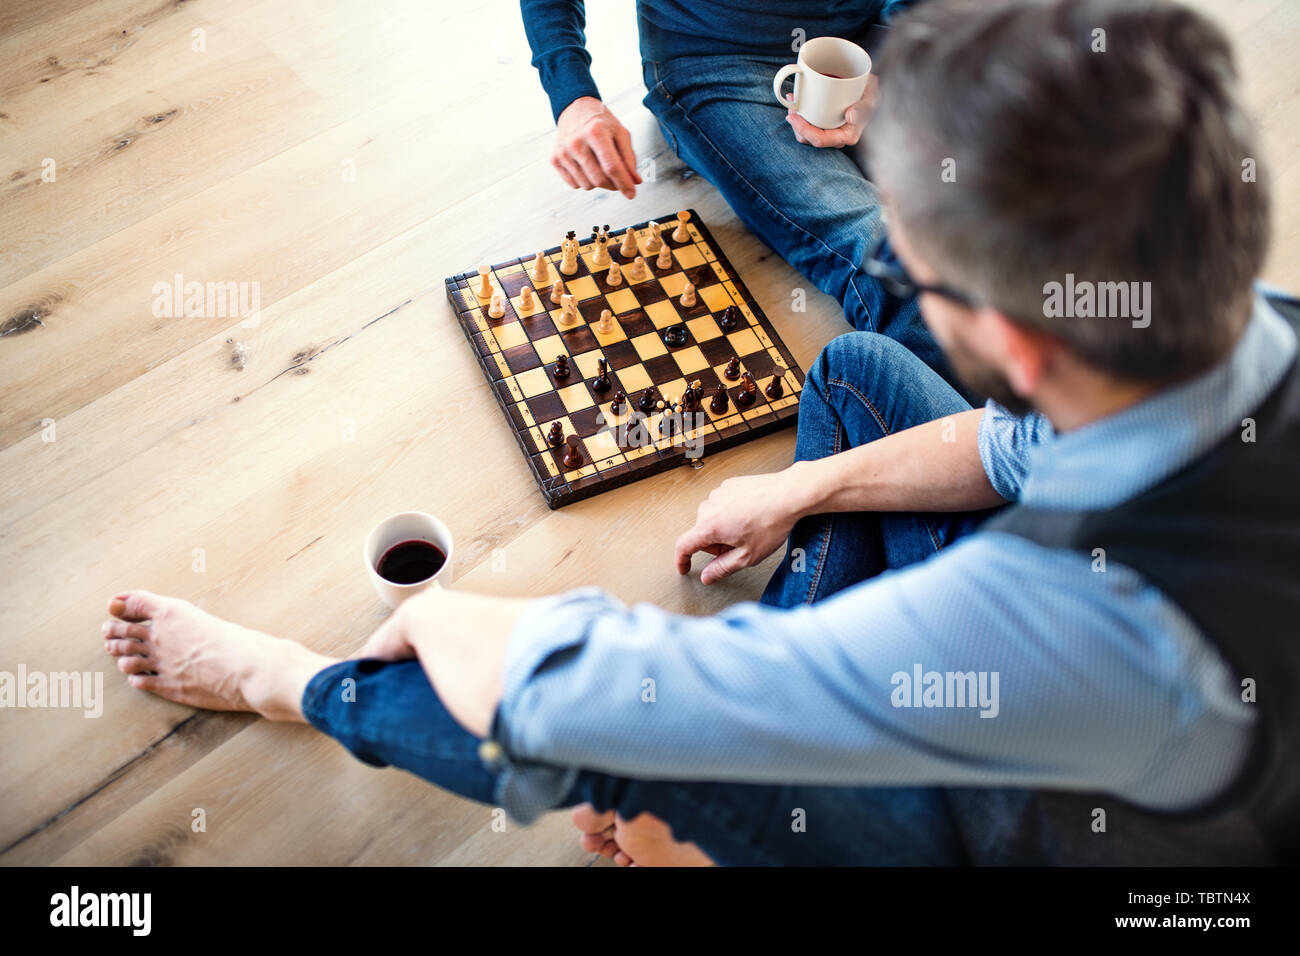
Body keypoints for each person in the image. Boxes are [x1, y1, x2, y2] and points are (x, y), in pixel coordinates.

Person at [104, 0, 1298, 865]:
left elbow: (573, 692)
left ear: (1022, 345)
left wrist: (445, 617)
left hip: (1037, 818)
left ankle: (284, 681)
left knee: (628, 742)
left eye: (919, 272)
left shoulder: (1063, 623)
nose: (898, 268)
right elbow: (1011, 446)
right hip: (1135, 680)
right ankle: (767, 713)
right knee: (855, 369)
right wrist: (797, 491)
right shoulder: (1227, 330)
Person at [521, 0, 971, 394]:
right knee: (880, 248)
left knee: (1000, 202)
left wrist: (888, 60)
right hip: (716, 59)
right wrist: (573, 96)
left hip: (863, 42)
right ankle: (995, 460)